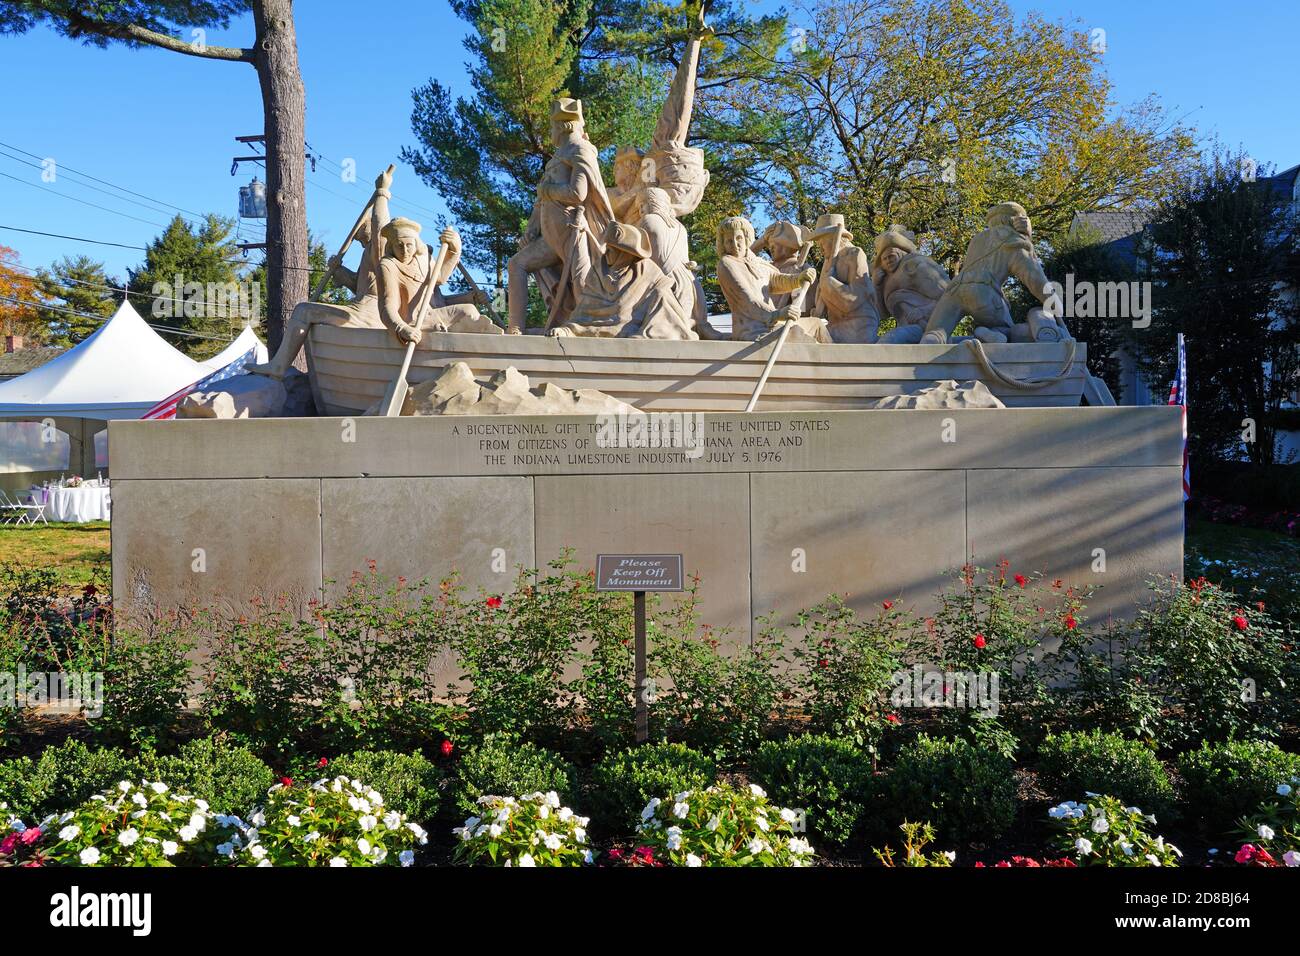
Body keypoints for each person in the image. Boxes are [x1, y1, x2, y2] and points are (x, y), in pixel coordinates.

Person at [249, 170, 492, 380]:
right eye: (399, 245)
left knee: (303, 310)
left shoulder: (396, 254)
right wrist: (341, 272)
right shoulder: (384, 260)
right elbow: (363, 285)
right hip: (387, 315)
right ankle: (279, 366)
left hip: (376, 314)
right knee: (304, 310)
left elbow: (436, 281)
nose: (404, 250)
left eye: (408, 244)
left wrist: (382, 193)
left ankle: (280, 366)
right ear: (393, 244)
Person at [507, 98, 614, 334]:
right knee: (517, 264)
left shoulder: (580, 150)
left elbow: (578, 193)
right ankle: (515, 327)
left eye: (552, 126)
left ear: (564, 126)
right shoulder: (557, 157)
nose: (551, 132)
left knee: (582, 281)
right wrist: (531, 230)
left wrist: (546, 191)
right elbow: (540, 203)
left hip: (572, 230)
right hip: (551, 235)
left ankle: (586, 327)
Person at [920, 201, 1063, 344]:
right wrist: (1054, 303)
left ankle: (933, 341)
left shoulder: (978, 239)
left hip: (954, 290)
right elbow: (1034, 279)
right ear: (1019, 220)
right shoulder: (1015, 242)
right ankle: (988, 333)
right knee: (1007, 331)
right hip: (983, 291)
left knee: (934, 335)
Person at [550, 221, 695, 338]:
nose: (606, 253)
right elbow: (584, 307)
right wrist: (570, 327)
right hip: (591, 322)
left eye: (611, 249)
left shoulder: (647, 270)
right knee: (576, 327)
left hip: (628, 324)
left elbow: (664, 292)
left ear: (624, 254)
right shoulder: (598, 268)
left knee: (660, 297)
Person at [716, 216, 826, 342]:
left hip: (773, 324)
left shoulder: (756, 262)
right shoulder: (727, 264)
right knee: (803, 338)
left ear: (746, 238)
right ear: (723, 244)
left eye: (739, 238)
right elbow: (745, 298)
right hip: (754, 330)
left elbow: (776, 280)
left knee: (816, 324)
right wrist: (776, 315)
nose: (735, 244)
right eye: (729, 241)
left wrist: (799, 279)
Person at [872, 225, 951, 343]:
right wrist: (876, 286)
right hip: (907, 328)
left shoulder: (917, 267)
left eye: (891, 256)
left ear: (900, 254)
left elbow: (950, 298)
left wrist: (924, 311)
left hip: (931, 329)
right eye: (885, 258)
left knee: (889, 340)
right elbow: (882, 314)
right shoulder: (885, 280)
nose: (888, 260)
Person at [809, 213, 881, 343]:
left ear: (832, 238)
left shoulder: (855, 254)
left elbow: (856, 297)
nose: (820, 248)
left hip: (859, 324)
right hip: (835, 324)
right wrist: (819, 310)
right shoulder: (828, 261)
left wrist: (829, 282)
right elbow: (824, 294)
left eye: (822, 242)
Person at [753, 220, 814, 314]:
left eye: (774, 245)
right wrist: (762, 241)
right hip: (762, 320)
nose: (770, 248)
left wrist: (796, 297)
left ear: (787, 247)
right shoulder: (767, 267)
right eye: (769, 245)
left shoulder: (803, 268)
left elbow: (805, 308)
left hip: (787, 323)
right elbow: (740, 261)